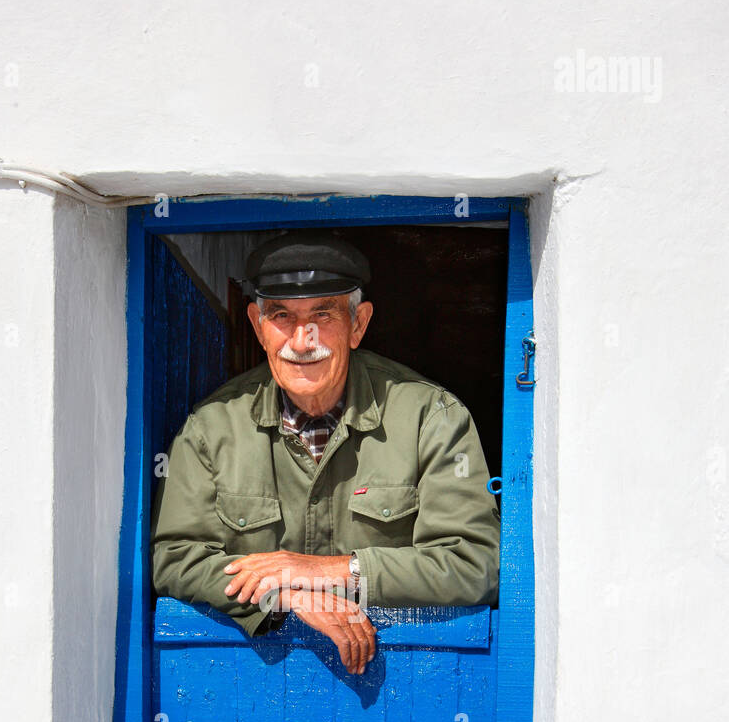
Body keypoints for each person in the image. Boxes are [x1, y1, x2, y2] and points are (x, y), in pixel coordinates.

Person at [151, 233, 500, 675]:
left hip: (401, 690)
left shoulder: (431, 417)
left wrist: (323, 571)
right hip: (256, 690)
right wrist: (284, 593)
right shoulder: (211, 427)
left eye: (323, 314)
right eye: (281, 316)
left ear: (358, 324)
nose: (302, 340)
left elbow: (474, 564)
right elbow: (175, 559)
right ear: (258, 327)